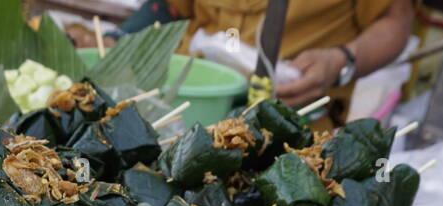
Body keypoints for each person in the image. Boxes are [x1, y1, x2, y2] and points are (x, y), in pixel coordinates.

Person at [102, 0, 415, 118]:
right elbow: (168, 7)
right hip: (183, 108)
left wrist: (342, 61)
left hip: (291, 122)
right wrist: (118, 39)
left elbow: (396, 20)